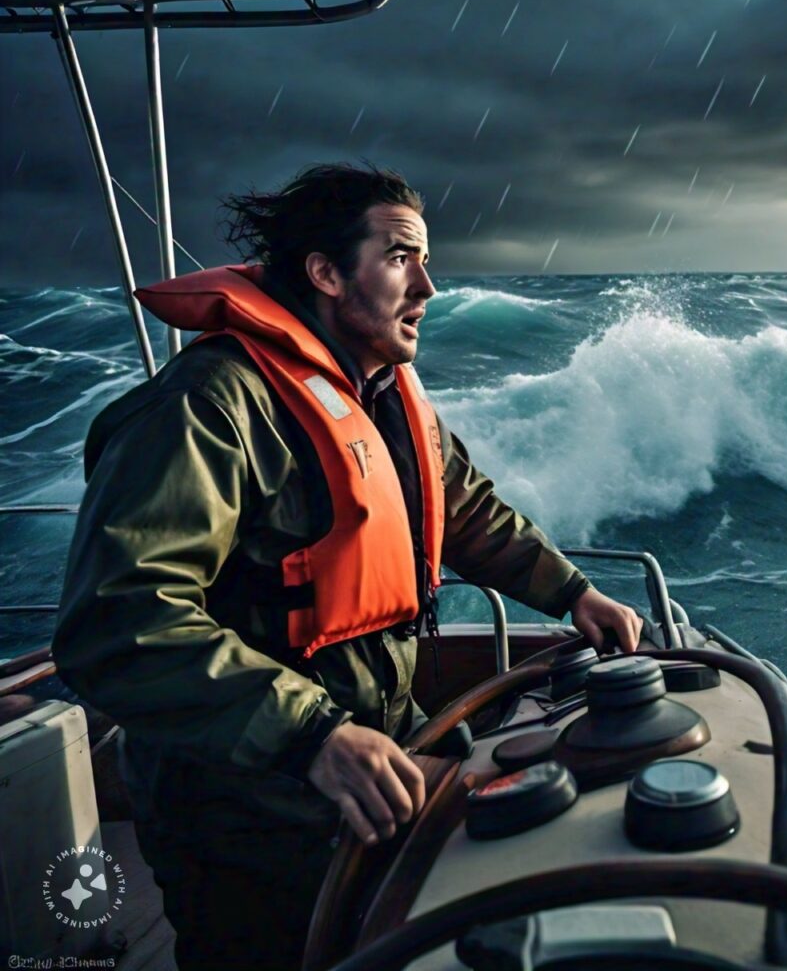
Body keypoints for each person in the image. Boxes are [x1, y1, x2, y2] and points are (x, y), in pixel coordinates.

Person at [53, 163, 642, 970]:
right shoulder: (208, 407)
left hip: (368, 767)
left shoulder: (385, 393)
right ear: (326, 273)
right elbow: (116, 622)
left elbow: (462, 507)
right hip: (242, 809)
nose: (429, 286)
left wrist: (572, 592)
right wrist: (312, 736)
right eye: (401, 257)